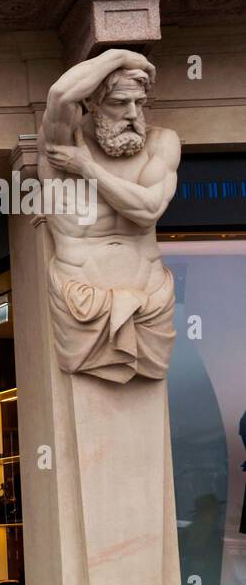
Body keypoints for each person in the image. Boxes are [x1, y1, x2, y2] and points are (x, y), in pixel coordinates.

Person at [39, 49, 180, 384]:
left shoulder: (161, 142)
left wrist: (87, 168)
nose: (132, 114)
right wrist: (120, 54)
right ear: (91, 103)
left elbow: (148, 211)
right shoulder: (62, 140)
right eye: (119, 102)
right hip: (80, 299)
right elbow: (60, 94)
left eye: (138, 103)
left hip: (151, 298)